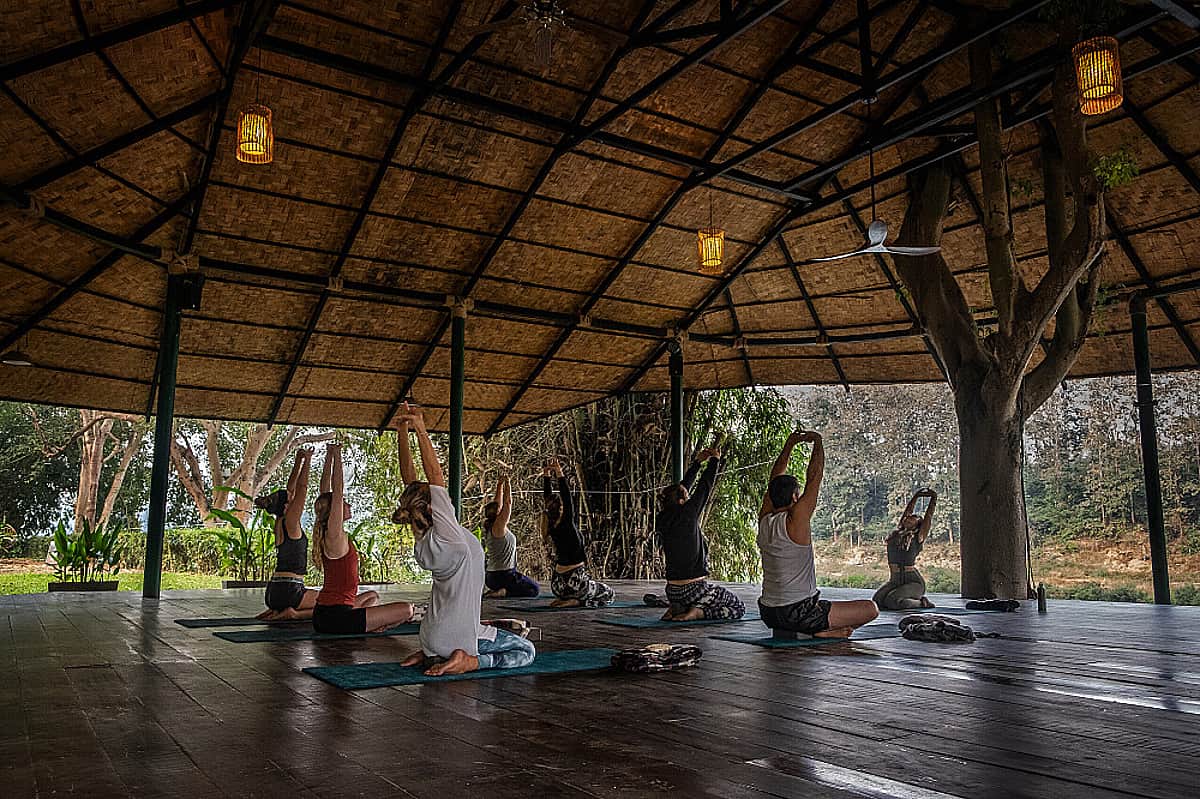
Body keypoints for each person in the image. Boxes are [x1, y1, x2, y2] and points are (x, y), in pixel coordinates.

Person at [392, 406, 536, 676]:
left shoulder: (423, 540)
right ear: (435, 507)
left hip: (430, 638)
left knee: (492, 634)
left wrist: (402, 431)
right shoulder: (448, 534)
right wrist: (420, 428)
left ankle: (430, 656)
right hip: (456, 638)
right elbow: (435, 475)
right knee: (526, 651)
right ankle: (469, 661)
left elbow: (409, 480)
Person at [757, 431, 878, 638]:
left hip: (768, 613)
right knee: (871, 608)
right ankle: (821, 631)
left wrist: (790, 444)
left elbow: (774, 479)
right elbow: (815, 476)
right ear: (796, 497)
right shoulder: (795, 520)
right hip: (799, 613)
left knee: (827, 607)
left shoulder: (764, 519)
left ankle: (818, 629)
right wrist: (818, 442)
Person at [311, 442, 416, 634]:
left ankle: (374, 624)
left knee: (372, 596)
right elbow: (336, 489)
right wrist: (337, 455)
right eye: (344, 502)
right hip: (335, 618)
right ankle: (375, 626)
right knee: (406, 609)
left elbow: (325, 490)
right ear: (335, 509)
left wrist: (328, 457)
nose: (348, 504)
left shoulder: (331, 533)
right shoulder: (334, 535)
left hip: (327, 613)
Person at [651, 442, 745, 621]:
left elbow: (682, 489)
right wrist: (715, 461)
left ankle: (676, 608)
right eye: (686, 497)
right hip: (694, 590)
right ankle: (698, 612)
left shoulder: (662, 518)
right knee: (737, 607)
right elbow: (705, 486)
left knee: (690, 595)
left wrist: (697, 463)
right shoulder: (688, 513)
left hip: (672, 591)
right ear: (681, 502)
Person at [255, 447, 319, 620]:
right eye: (291, 499)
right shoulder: (291, 522)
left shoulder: (279, 521)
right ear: (285, 506)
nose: (294, 499)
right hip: (289, 591)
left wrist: (299, 460)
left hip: (273, 593)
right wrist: (308, 461)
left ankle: (276, 610)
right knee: (331, 603)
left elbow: (291, 488)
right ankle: (293, 614)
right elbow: (302, 488)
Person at [543, 456, 613, 608]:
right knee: (608, 593)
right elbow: (567, 497)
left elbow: (548, 499)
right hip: (575, 584)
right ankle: (578, 601)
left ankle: (567, 598)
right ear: (562, 509)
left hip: (557, 586)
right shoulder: (566, 523)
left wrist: (547, 475)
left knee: (591, 585)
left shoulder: (550, 526)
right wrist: (559, 472)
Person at [873, 489, 938, 610]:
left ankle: (921, 603)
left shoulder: (918, 537)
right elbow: (907, 511)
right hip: (895, 580)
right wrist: (916, 496)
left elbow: (928, 516)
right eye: (908, 517)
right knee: (877, 602)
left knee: (892, 601)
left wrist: (933, 498)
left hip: (913, 582)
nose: (909, 518)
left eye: (914, 518)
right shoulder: (897, 533)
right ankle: (907, 598)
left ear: (918, 524)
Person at [483, 474, 540, 598]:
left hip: (491, 577)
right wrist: (508, 484)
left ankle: (500, 590)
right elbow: (507, 503)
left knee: (526, 584)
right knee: (534, 590)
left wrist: (499, 485)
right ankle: (504, 592)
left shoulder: (492, 526)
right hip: (504, 575)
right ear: (498, 513)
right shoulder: (499, 526)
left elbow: (497, 504)